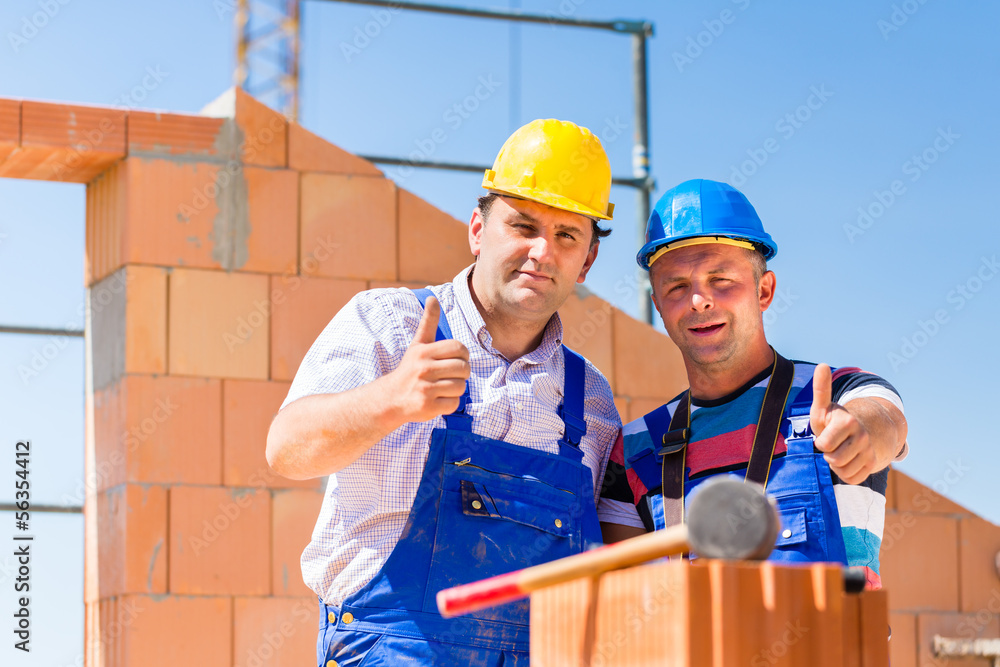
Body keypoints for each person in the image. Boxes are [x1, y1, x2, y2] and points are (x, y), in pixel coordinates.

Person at [266, 119, 621, 666]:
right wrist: (391, 399)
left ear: (587, 260)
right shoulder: (387, 323)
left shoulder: (589, 400)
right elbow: (287, 449)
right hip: (389, 649)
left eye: (566, 235)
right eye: (523, 225)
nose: (541, 251)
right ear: (479, 229)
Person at [598, 179, 908, 589]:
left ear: (764, 290)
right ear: (657, 304)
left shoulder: (837, 394)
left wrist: (860, 434)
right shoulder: (634, 451)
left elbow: (884, 420)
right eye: (676, 287)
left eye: (721, 279)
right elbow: (624, 606)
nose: (699, 301)